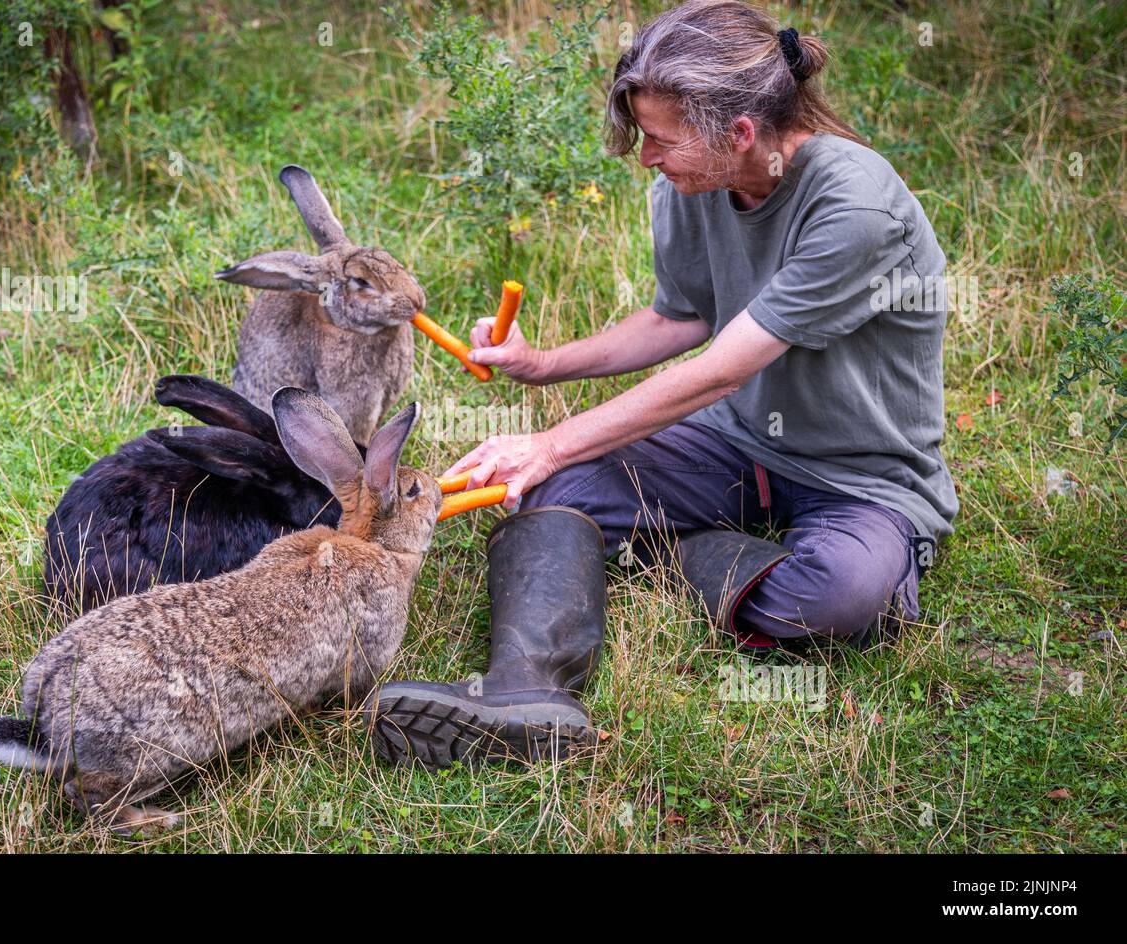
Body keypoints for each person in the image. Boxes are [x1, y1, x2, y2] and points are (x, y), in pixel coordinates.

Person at [364, 0, 958, 771]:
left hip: (862, 480)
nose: (645, 156)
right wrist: (541, 363)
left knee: (838, 599)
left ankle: (682, 551)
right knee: (555, 493)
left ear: (738, 133)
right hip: (734, 446)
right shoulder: (690, 185)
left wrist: (548, 441)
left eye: (660, 139)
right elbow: (680, 320)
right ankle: (522, 691)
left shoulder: (854, 204)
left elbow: (724, 366)